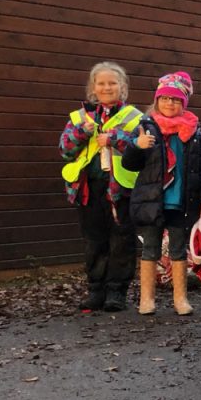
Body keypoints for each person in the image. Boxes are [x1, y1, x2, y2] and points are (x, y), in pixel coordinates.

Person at [123, 72, 201, 316]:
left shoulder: (194, 132)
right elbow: (129, 164)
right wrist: (136, 146)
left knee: (177, 248)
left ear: (183, 103)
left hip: (180, 200)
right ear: (156, 101)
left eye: (175, 99)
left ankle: (180, 298)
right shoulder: (146, 127)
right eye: (164, 98)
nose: (169, 103)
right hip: (152, 200)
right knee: (150, 248)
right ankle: (147, 299)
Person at [59, 62, 143, 312]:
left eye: (112, 83)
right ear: (93, 87)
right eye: (101, 83)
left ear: (123, 87)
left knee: (122, 240)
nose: (107, 87)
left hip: (121, 188)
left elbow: (144, 147)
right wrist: (81, 134)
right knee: (94, 239)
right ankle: (96, 290)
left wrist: (115, 138)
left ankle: (116, 292)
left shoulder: (134, 116)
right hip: (89, 187)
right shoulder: (79, 117)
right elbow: (65, 150)